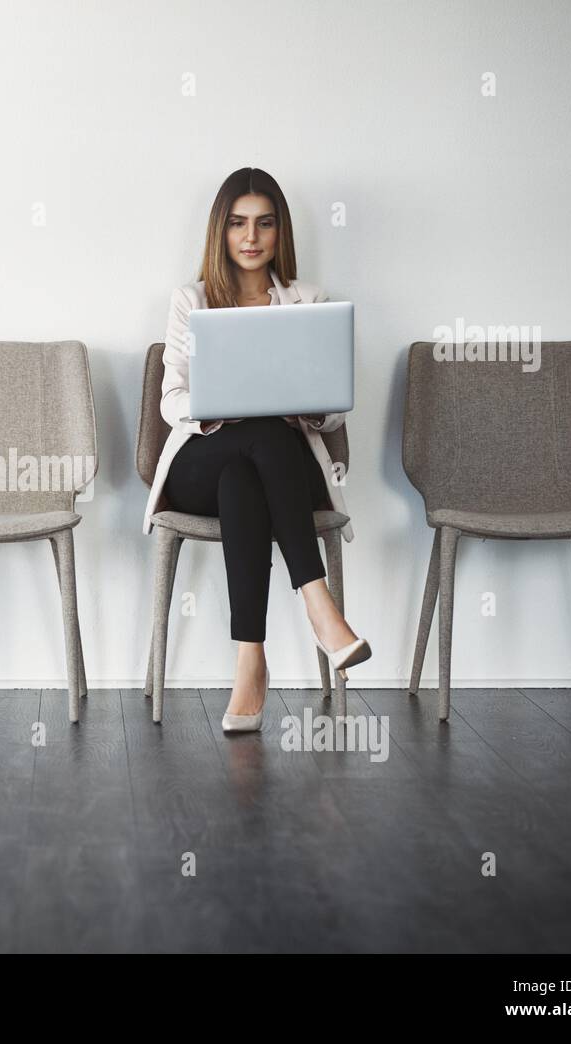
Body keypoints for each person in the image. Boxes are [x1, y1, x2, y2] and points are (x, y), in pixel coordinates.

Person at [142, 166, 371, 734]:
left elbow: (334, 410)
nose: (251, 237)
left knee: (251, 467)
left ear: (280, 232)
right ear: (220, 230)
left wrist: (304, 405)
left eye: (264, 224)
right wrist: (219, 407)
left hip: (274, 473)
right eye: (239, 224)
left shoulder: (307, 301)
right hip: (201, 456)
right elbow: (171, 399)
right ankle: (321, 607)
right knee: (259, 434)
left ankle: (250, 663)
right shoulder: (190, 301)